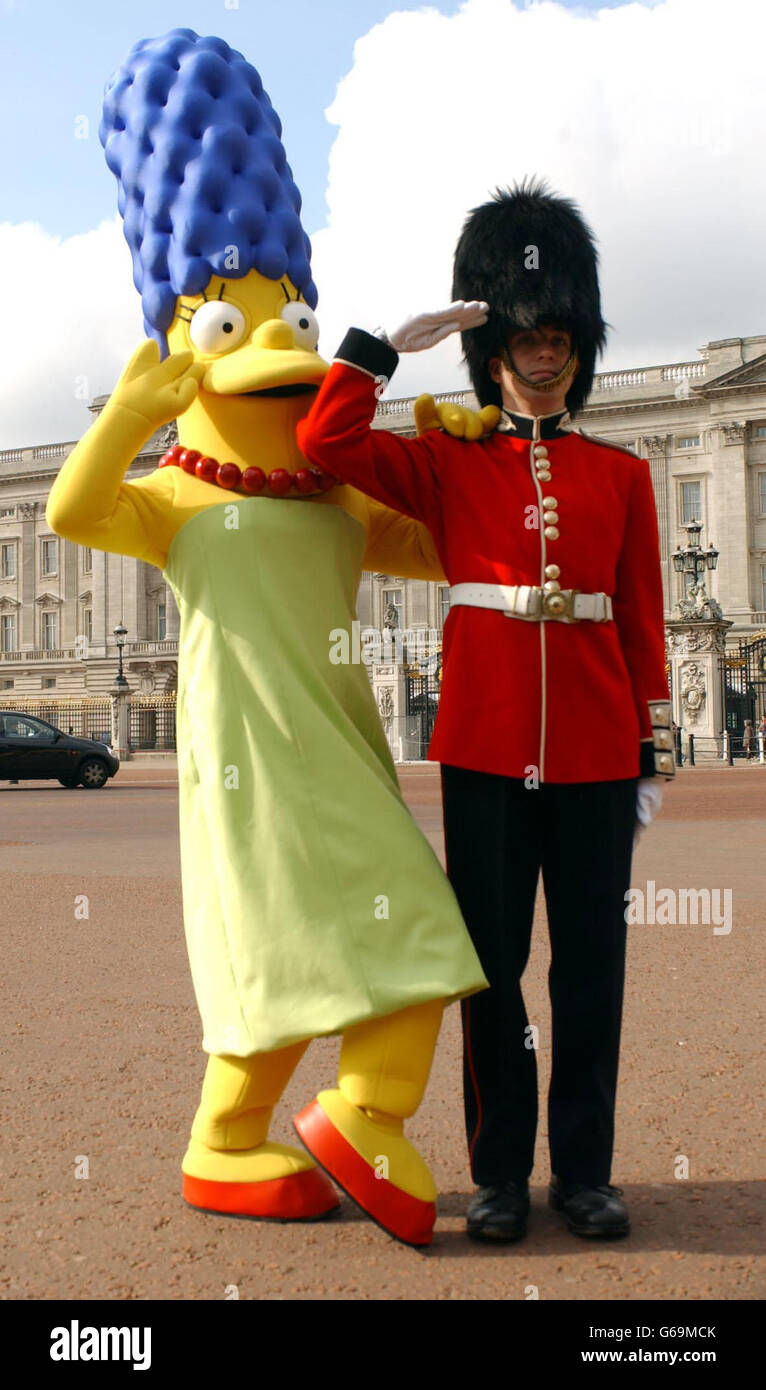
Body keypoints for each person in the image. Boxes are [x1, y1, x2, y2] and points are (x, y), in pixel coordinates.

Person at [45, 28, 488, 1250]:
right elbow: (73, 512)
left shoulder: (337, 494)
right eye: (239, 324)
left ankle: (296, 1125)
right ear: (185, 347)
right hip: (240, 763)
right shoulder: (177, 497)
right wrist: (125, 419)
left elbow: (451, 547)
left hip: (337, 748)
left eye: (294, 313)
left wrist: (467, 450)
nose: (284, 344)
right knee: (299, 954)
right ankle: (253, 1135)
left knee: (392, 936)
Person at [297, 180, 675, 1242]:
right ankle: (502, 1174)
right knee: (494, 973)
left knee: (592, 968)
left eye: (555, 335)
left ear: (575, 343)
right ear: (495, 346)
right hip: (485, 745)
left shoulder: (622, 474)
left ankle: (586, 1173)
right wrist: (380, 350)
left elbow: (640, 619)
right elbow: (329, 444)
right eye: (524, 336)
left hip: (600, 750)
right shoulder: (448, 460)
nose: (541, 352)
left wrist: (648, 748)